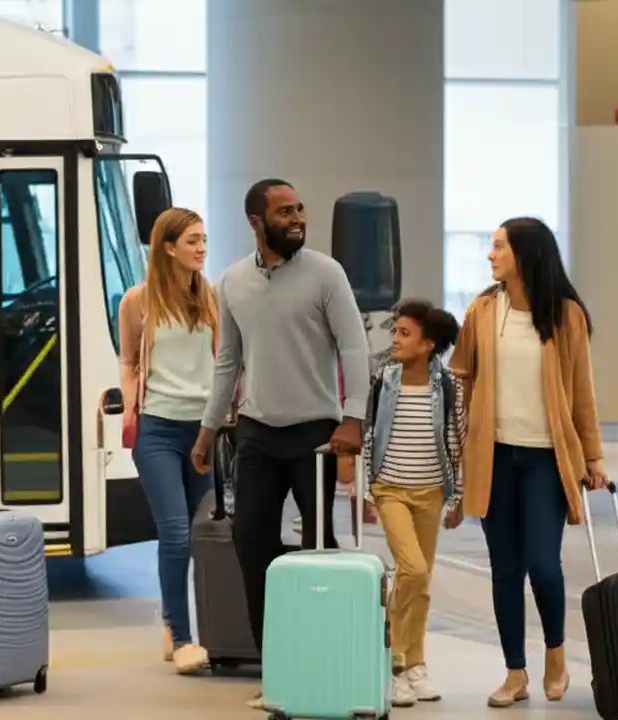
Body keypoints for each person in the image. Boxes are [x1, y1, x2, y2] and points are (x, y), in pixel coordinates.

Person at [191, 179, 369, 709]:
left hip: (317, 433)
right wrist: (207, 427)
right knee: (253, 547)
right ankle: (278, 665)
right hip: (257, 434)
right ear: (256, 223)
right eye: (284, 211)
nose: (296, 218)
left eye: (299, 208)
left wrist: (354, 419)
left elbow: (354, 347)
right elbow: (229, 361)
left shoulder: (326, 274)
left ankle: (330, 654)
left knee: (320, 550)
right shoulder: (233, 281)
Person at [448, 216, 609, 708]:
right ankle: (515, 672)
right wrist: (459, 447)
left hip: (545, 459)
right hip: (494, 456)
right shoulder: (480, 311)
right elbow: (463, 379)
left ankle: (555, 653)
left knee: (543, 565)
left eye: (498, 247)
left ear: (525, 254)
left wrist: (594, 456)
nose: (490, 254)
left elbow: (581, 391)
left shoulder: (565, 316)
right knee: (505, 570)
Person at [118, 206, 219, 675]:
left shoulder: (212, 297)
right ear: (168, 247)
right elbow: (129, 359)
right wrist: (128, 410)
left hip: (204, 429)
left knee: (202, 537)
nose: (201, 248)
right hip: (157, 429)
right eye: (193, 240)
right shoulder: (137, 301)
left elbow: (226, 358)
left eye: (204, 240)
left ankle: (173, 620)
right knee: (175, 533)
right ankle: (182, 638)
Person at [360, 299, 465, 707]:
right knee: (413, 568)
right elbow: (371, 434)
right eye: (395, 332)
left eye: (405, 333)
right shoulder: (383, 380)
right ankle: (395, 659)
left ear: (428, 345)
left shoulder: (448, 386)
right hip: (392, 490)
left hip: (431, 493)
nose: (396, 340)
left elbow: (453, 441)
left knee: (419, 582)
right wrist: (369, 487)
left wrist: (455, 496)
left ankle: (413, 664)